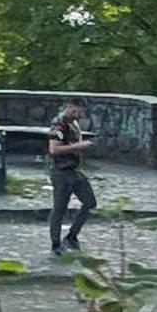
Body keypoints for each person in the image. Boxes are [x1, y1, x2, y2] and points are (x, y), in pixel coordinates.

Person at [48, 97, 96, 255]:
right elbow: (54, 149)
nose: (76, 114)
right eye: (74, 110)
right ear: (67, 107)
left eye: (79, 111)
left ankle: (72, 236)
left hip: (74, 171)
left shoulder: (74, 123)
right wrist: (79, 146)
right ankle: (56, 244)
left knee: (89, 202)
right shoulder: (58, 124)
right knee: (59, 209)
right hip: (61, 171)